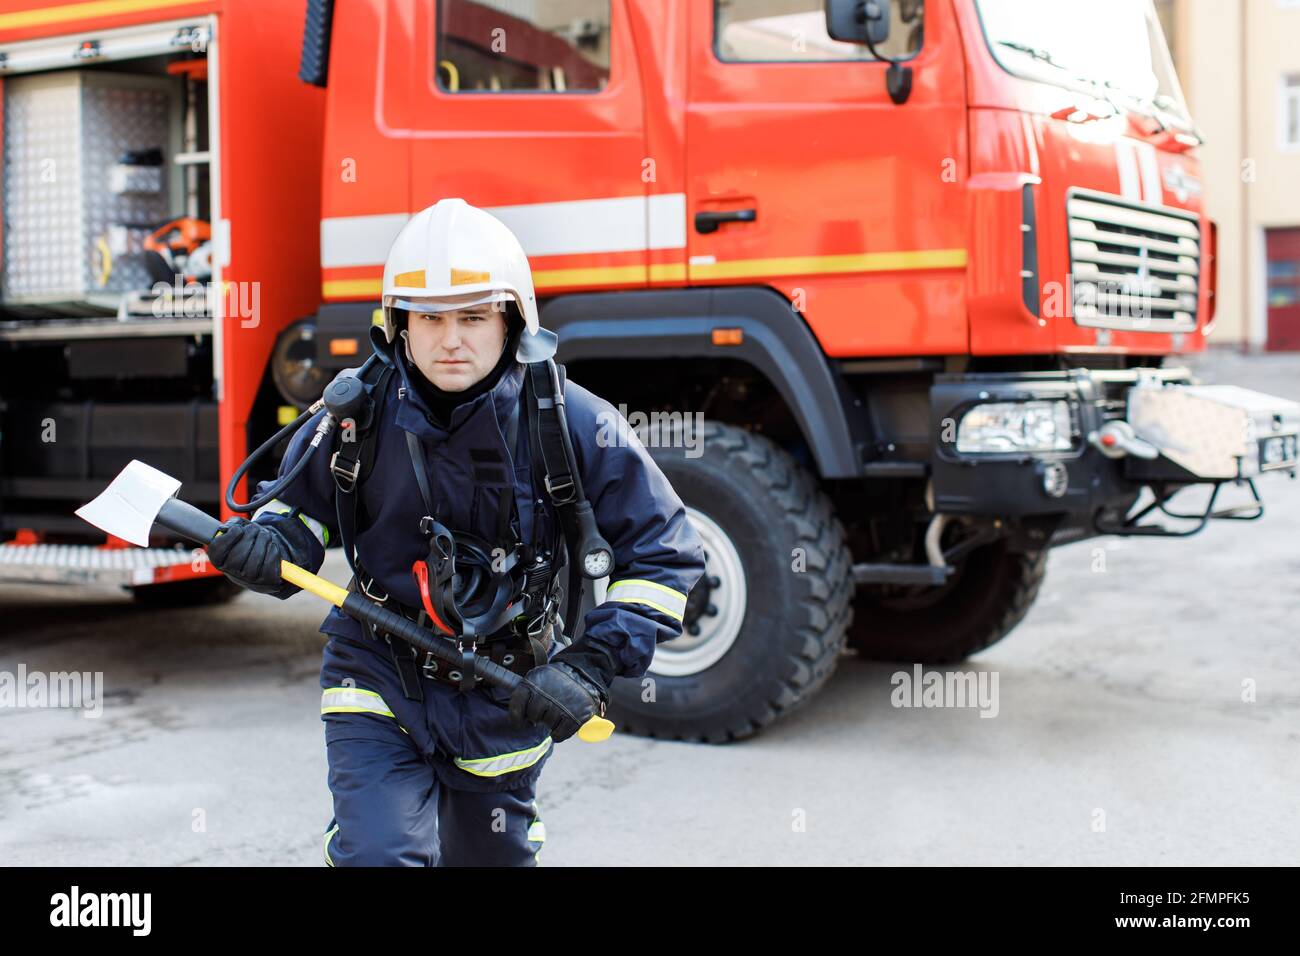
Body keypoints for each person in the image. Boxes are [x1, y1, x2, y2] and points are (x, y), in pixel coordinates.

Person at [205, 198, 706, 866]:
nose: (451, 339)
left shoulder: (571, 423)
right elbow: (297, 513)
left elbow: (665, 556)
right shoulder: (355, 414)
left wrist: (591, 665)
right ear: (398, 328)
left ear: (513, 323)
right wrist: (268, 544)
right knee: (377, 854)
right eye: (431, 318)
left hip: (507, 688)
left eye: (473, 316)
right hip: (376, 667)